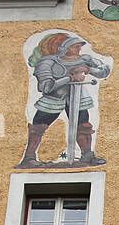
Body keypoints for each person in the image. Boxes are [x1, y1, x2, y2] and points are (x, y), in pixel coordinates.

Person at [18, 32, 111, 169]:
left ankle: (87, 155)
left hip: (78, 98)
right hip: (53, 99)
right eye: (75, 47)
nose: (78, 50)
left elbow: (104, 71)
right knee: (38, 127)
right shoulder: (48, 62)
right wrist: (69, 78)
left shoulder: (84, 59)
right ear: (64, 48)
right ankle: (29, 157)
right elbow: (46, 86)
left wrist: (88, 69)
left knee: (84, 126)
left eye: (79, 47)